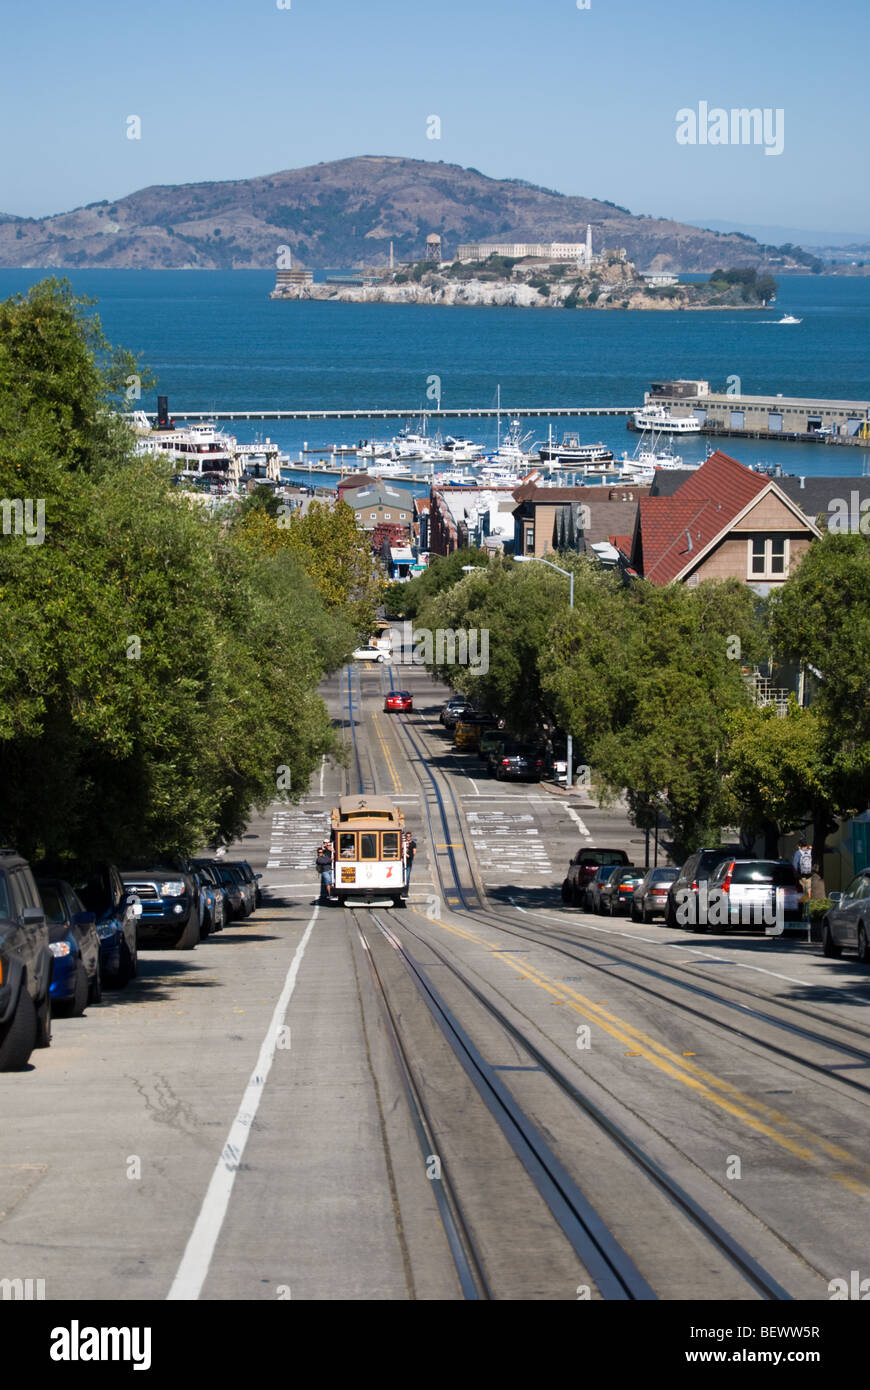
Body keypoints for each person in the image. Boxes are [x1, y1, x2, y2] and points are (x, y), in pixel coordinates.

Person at [793, 839, 813, 905]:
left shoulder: (798, 853)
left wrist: (794, 874)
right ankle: (808, 904)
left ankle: (802, 906)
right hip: (809, 875)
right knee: (809, 889)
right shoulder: (810, 852)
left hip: (801, 875)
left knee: (801, 890)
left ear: (800, 845)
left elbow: (795, 865)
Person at [316, 839, 334, 904]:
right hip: (325, 871)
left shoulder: (326, 854)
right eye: (319, 852)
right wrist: (330, 860)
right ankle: (330, 894)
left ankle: (332, 893)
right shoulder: (318, 859)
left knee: (331, 882)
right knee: (328, 882)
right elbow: (326, 861)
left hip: (330, 870)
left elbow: (330, 857)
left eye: (321, 852)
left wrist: (331, 849)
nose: (321, 853)